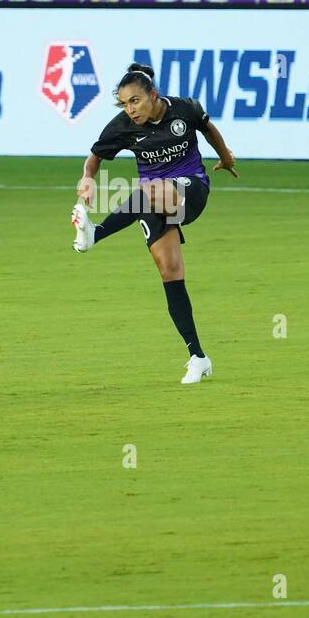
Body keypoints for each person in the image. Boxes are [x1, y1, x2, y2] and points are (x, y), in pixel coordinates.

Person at [70, 62, 238, 385]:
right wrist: (87, 178)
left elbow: (208, 128)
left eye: (135, 101)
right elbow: (95, 158)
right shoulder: (122, 127)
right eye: (124, 104)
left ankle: (96, 233)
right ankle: (198, 357)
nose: (129, 110)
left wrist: (226, 156)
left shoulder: (184, 109)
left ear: (153, 95)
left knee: (151, 189)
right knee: (170, 272)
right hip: (151, 203)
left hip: (190, 190)